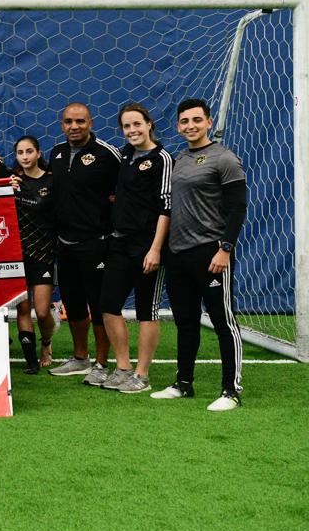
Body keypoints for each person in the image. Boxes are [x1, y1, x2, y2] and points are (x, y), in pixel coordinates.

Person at [151, 98, 247, 411]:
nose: (190, 126)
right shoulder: (178, 159)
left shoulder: (224, 158)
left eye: (196, 120)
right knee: (186, 322)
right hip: (178, 255)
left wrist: (225, 249)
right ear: (178, 126)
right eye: (184, 121)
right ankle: (184, 383)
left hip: (211, 252)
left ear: (208, 122)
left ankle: (230, 391)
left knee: (223, 322)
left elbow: (237, 208)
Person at [98, 104, 173, 393]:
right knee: (108, 304)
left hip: (147, 245)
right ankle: (123, 368)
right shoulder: (125, 156)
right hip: (119, 243)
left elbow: (166, 208)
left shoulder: (162, 159)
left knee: (147, 310)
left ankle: (141, 375)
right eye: (127, 126)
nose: (132, 130)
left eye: (137, 124)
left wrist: (155, 249)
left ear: (149, 124)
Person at [46, 102, 121, 385]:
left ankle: (102, 363)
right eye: (68, 121)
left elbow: (127, 188)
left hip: (97, 243)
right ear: (62, 124)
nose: (74, 126)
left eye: (80, 121)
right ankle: (80, 358)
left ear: (90, 123)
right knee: (74, 303)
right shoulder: (56, 153)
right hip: (65, 243)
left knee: (99, 305)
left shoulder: (107, 154)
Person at [10, 136, 57, 373]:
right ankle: (30, 362)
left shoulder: (52, 180)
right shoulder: (13, 182)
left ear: (39, 153)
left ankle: (46, 342)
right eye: (20, 152)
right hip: (17, 255)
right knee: (22, 309)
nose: (25, 156)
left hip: (44, 253)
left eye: (29, 151)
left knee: (41, 311)